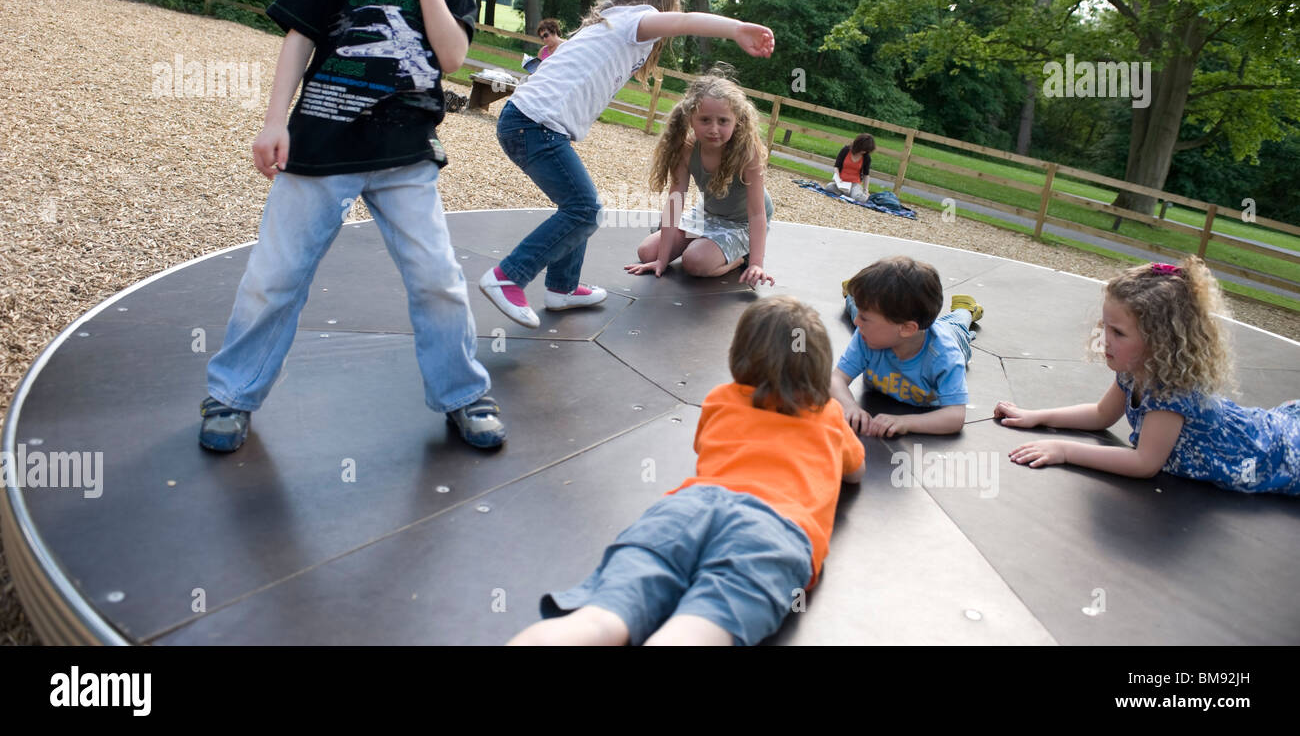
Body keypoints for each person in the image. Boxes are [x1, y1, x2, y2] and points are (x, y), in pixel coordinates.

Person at [198, 0, 506, 453]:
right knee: (276, 276)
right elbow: (299, 38)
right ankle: (231, 394)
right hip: (322, 144)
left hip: (405, 154)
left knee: (438, 279)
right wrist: (274, 121)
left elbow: (452, 58)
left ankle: (462, 393)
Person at [507, 296, 865, 646]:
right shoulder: (829, 414)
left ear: (739, 355)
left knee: (600, 617)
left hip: (689, 508)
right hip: (774, 527)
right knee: (698, 628)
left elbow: (704, 445)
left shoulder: (721, 397)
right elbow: (855, 471)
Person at [479, 0, 775, 328]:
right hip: (534, 125)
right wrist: (737, 30)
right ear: (659, 3)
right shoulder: (635, 19)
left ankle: (562, 287)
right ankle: (509, 276)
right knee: (583, 210)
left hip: (528, 122)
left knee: (579, 206)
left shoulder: (607, 25)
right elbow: (684, 23)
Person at [998, 259, 1299, 494]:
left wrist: (1064, 450)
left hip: (1273, 456)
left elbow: (1144, 463)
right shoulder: (1134, 371)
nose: (1103, 337)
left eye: (1118, 332)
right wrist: (1037, 416)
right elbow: (1101, 414)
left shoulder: (1171, 392)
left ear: (1159, 342)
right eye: (1105, 326)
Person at [625, 70, 774, 286]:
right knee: (648, 252)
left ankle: (741, 257)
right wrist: (661, 260)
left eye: (723, 121)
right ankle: (705, 244)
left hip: (742, 222)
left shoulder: (747, 152)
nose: (714, 129)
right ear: (690, 119)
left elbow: (757, 213)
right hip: (708, 213)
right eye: (705, 120)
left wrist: (756, 263)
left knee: (694, 262)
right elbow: (675, 202)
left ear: (737, 121)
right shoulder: (687, 148)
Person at [830, 256, 982, 437]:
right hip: (903, 327)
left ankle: (965, 309)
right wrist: (849, 407)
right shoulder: (867, 336)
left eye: (865, 318)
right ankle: (852, 297)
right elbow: (836, 379)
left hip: (951, 334)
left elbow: (955, 416)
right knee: (859, 311)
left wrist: (905, 422)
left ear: (906, 329)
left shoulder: (945, 356)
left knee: (957, 325)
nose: (857, 322)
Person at [824, 133, 875, 202]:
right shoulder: (845, 150)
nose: (864, 152)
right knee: (829, 187)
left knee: (861, 198)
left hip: (854, 184)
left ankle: (848, 195)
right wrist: (838, 179)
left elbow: (866, 175)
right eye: (863, 149)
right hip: (841, 183)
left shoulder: (866, 157)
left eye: (866, 150)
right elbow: (836, 167)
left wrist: (866, 190)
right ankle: (848, 195)